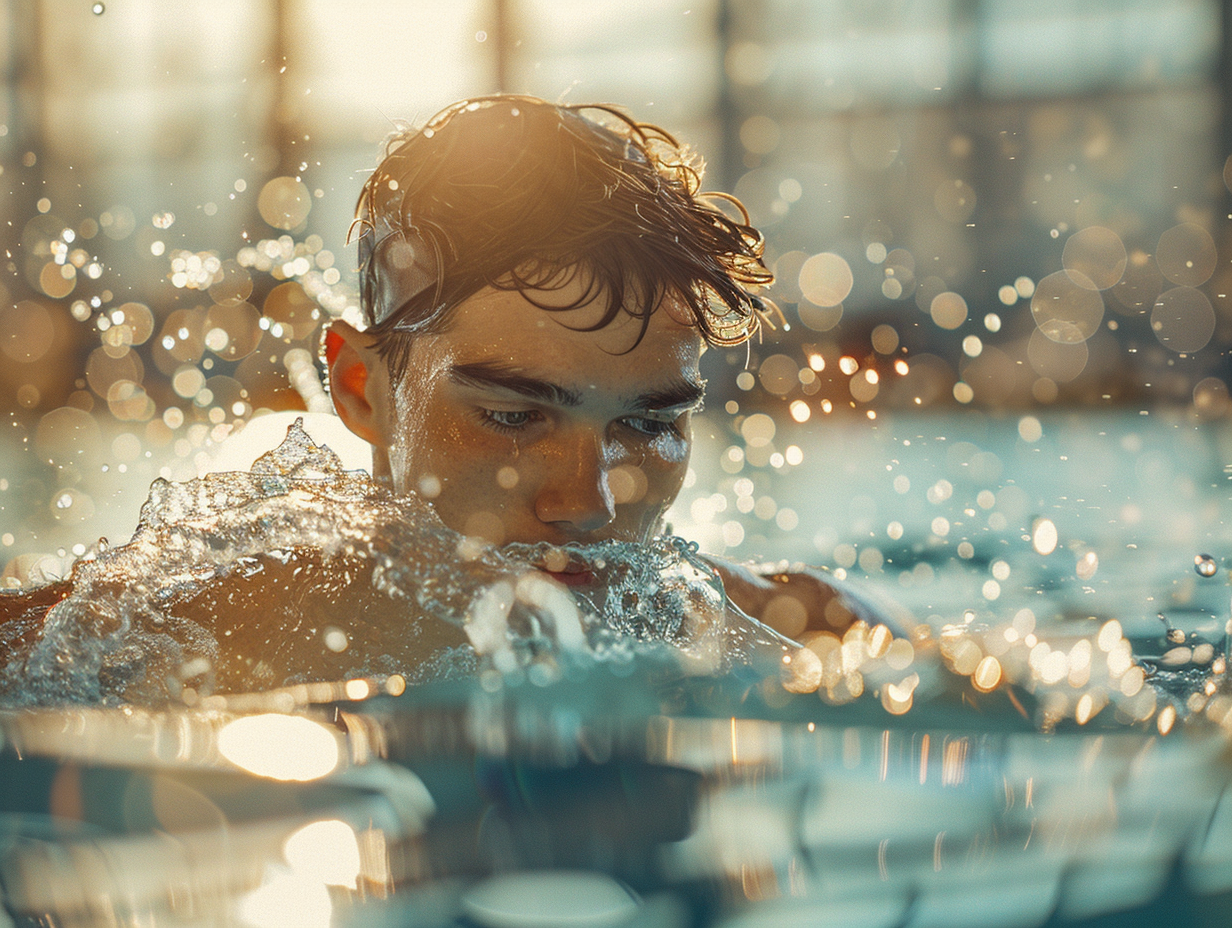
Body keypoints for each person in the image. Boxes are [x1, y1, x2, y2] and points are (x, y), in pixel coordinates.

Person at [0, 94, 888, 703]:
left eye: (649, 425)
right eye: (513, 416)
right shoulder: (184, 627)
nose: (588, 502)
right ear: (361, 388)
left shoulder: (794, 629)